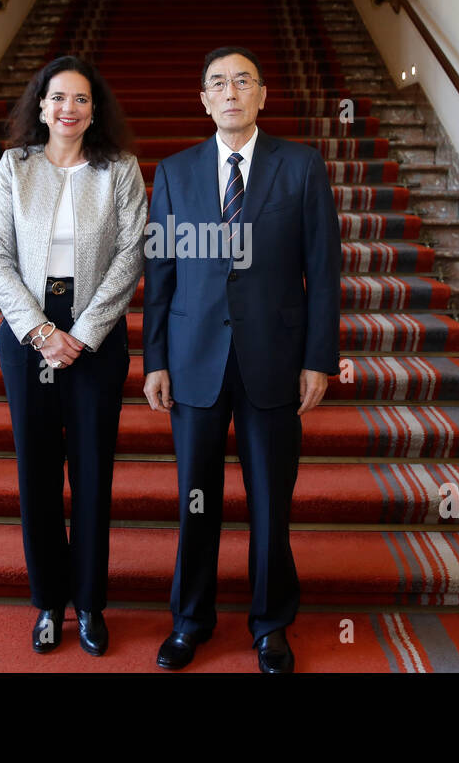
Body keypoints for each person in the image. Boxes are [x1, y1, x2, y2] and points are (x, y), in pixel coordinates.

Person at [142, 46, 342, 673]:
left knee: (269, 503)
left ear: (262, 95)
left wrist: (319, 358)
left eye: (243, 81)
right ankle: (191, 620)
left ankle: (271, 624)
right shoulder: (175, 172)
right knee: (195, 497)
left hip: (275, 360)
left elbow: (324, 270)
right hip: (195, 355)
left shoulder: (302, 167)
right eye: (217, 83)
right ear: (204, 99)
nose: (230, 92)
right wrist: (155, 360)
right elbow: (161, 272)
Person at [0, 55, 146, 656]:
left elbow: (131, 254)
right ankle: (49, 603)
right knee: (38, 474)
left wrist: (83, 330)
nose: (68, 109)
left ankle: (91, 606)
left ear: (93, 108)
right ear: (41, 105)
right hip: (28, 341)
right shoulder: (15, 167)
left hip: (95, 343)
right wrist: (39, 331)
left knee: (92, 474)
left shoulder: (119, 170)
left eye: (80, 99)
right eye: (58, 98)